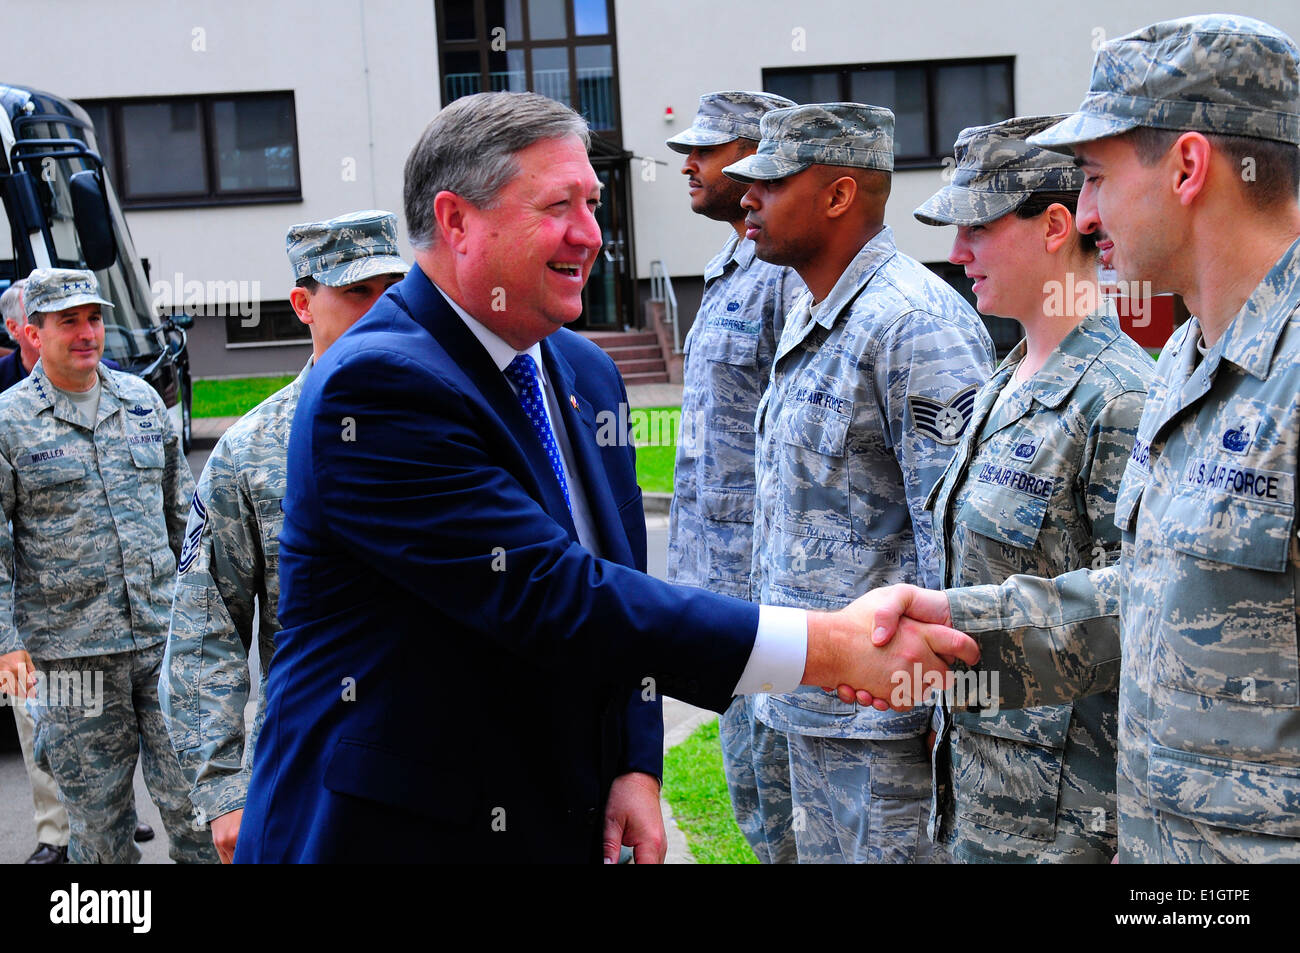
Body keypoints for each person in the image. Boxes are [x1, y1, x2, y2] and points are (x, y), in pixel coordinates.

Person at [233, 91, 979, 864]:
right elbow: (556, 596)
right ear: (456, 221)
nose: (591, 235)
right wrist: (827, 646)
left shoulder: (584, 372)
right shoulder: (379, 384)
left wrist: (632, 759)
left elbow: (616, 577)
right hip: (398, 831)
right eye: (559, 206)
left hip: (556, 814)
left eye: (593, 203)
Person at [860, 14, 1300, 863]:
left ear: (1187, 167)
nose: (1086, 210)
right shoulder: (1188, 355)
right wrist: (956, 631)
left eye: (1095, 177)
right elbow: (1151, 600)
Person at [723, 103, 995, 863]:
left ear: (839, 195)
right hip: (809, 705)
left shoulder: (914, 322)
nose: (747, 197)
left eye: (770, 181)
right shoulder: (812, 311)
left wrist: (948, 712)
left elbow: (956, 533)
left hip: (887, 726)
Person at [912, 114, 1155, 862]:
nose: (956, 253)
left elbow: (1145, 624)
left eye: (976, 228)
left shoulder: (1119, 399)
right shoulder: (1003, 379)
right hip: (979, 806)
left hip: (1067, 829)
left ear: (1056, 225)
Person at [160, 211, 408, 864]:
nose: (383, 309)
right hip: (320, 770)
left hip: (451, 765)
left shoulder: (453, 419)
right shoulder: (251, 452)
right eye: (357, 292)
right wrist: (225, 790)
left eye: (394, 289)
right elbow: (203, 628)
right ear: (302, 303)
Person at [0, 268, 216, 863]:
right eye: (67, 320)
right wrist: (7, 647)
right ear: (33, 333)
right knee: (99, 830)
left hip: (162, 645)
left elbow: (186, 520)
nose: (87, 332)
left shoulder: (143, 402)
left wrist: (206, 614)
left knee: (198, 811)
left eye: (93, 317)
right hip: (72, 664)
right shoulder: (8, 422)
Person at [664, 89, 803, 864]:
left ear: (754, 158)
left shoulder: (785, 271)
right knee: (752, 795)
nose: (688, 162)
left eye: (706, 150)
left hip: (770, 594)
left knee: (786, 808)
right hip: (724, 595)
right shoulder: (730, 265)